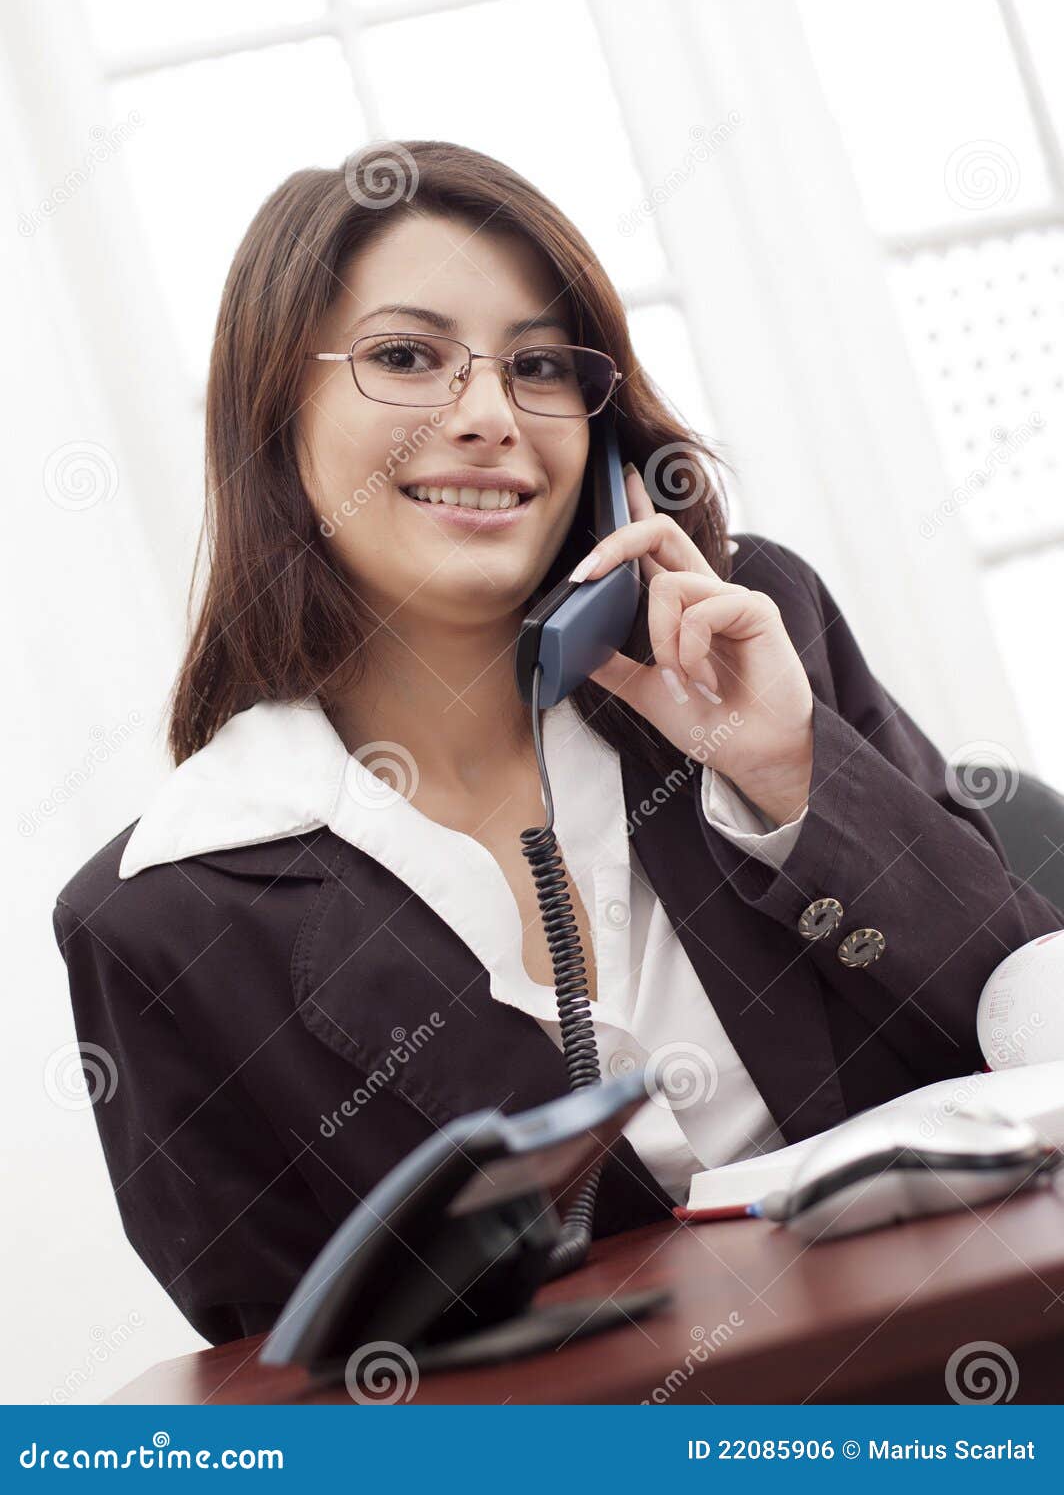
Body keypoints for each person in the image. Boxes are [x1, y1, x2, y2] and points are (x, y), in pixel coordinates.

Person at [52, 139, 1062, 1348]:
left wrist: (789, 769)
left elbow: (1027, 1038)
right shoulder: (166, 918)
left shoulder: (755, 632)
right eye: (406, 357)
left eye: (538, 366)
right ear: (276, 416)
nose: (487, 416)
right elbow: (294, 1397)